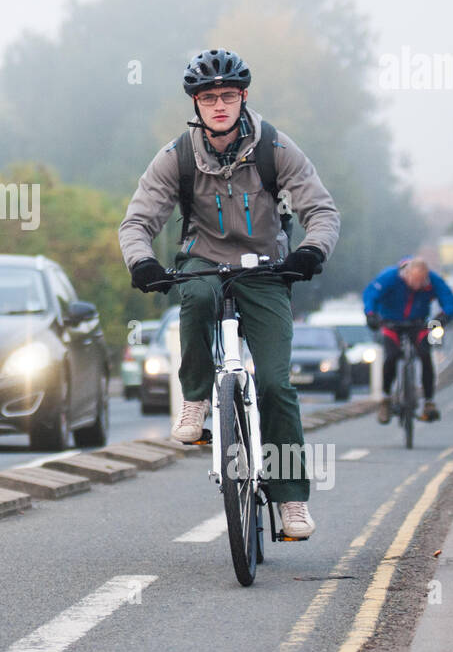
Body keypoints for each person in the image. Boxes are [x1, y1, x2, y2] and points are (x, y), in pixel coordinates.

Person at [119, 49, 341, 540]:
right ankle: (196, 401)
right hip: (205, 261)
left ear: (243, 97)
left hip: (266, 266)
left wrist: (311, 251)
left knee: (277, 386)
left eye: (227, 96)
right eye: (207, 98)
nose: (218, 105)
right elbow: (137, 222)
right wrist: (142, 261)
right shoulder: (175, 157)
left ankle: (291, 501)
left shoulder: (275, 149)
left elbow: (321, 210)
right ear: (195, 105)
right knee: (196, 295)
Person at [362, 257, 453, 423]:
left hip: (418, 323)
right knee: (391, 356)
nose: (417, 285)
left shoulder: (433, 280)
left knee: (425, 355)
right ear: (406, 274)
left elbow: (448, 300)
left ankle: (429, 402)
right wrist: (371, 314)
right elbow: (371, 295)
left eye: (421, 281)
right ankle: (385, 399)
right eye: (413, 280)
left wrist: (443, 316)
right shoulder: (390, 277)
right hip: (391, 323)